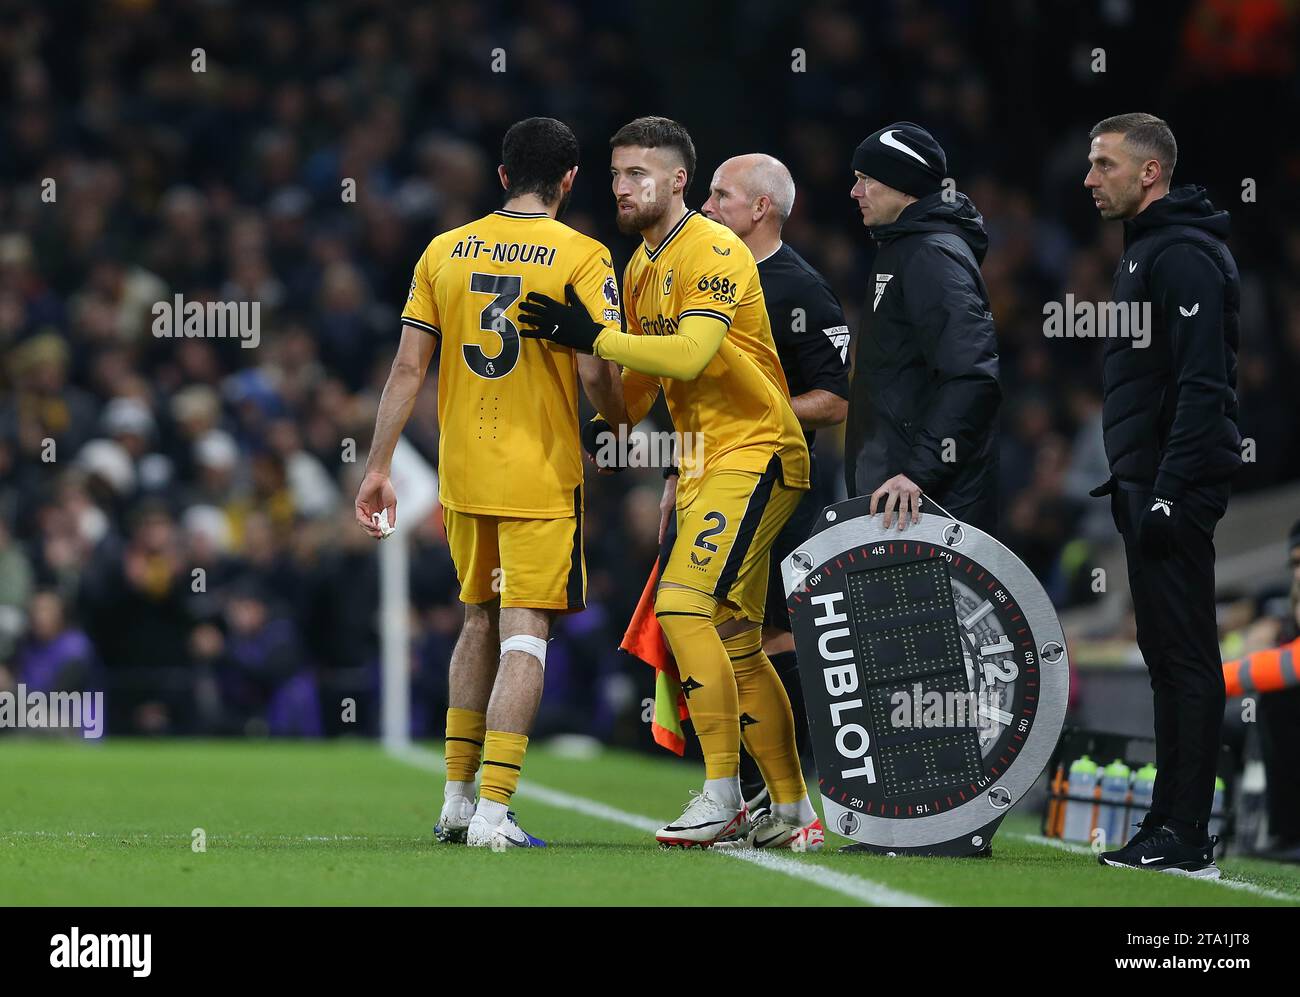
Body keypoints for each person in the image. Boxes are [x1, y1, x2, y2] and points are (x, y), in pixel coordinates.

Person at [518, 117, 822, 850]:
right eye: (616, 174)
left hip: (756, 450)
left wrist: (591, 336)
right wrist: (592, 379)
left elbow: (689, 355)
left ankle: (723, 794)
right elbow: (639, 398)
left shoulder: (713, 247)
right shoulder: (639, 267)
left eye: (638, 174)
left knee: (685, 606)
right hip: (705, 463)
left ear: (679, 179)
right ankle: (794, 809)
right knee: (735, 640)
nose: (622, 187)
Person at [355, 117, 623, 849]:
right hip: (538, 474)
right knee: (526, 632)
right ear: (570, 180)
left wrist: (377, 467)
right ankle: (497, 813)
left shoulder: (443, 249)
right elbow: (601, 376)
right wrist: (619, 413)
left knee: (476, 619)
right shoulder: (585, 255)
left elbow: (409, 367)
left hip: (463, 474)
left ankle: (455, 800)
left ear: (502, 176)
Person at [1084, 113, 1242, 878]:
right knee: (1166, 653)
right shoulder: (1147, 249)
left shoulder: (1182, 255)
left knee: (1185, 655)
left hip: (1172, 486)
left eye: (1105, 164)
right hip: (1147, 482)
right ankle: (1168, 824)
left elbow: (1203, 385)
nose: (1090, 179)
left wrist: (1171, 493)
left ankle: (1188, 833)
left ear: (1150, 173)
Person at [694, 153, 850, 819]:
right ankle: (743, 791)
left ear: (761, 208)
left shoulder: (801, 289)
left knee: (766, 635)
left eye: (721, 195)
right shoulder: (709, 278)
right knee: (714, 626)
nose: (705, 206)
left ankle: (773, 793)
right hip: (710, 477)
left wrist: (763, 413)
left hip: (779, 483)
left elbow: (836, 399)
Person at [842, 121, 1001, 534]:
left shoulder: (932, 255)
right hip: (900, 497)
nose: (854, 192)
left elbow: (972, 376)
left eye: (865, 180)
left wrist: (919, 473)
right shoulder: (903, 246)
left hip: (920, 502)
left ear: (903, 185)